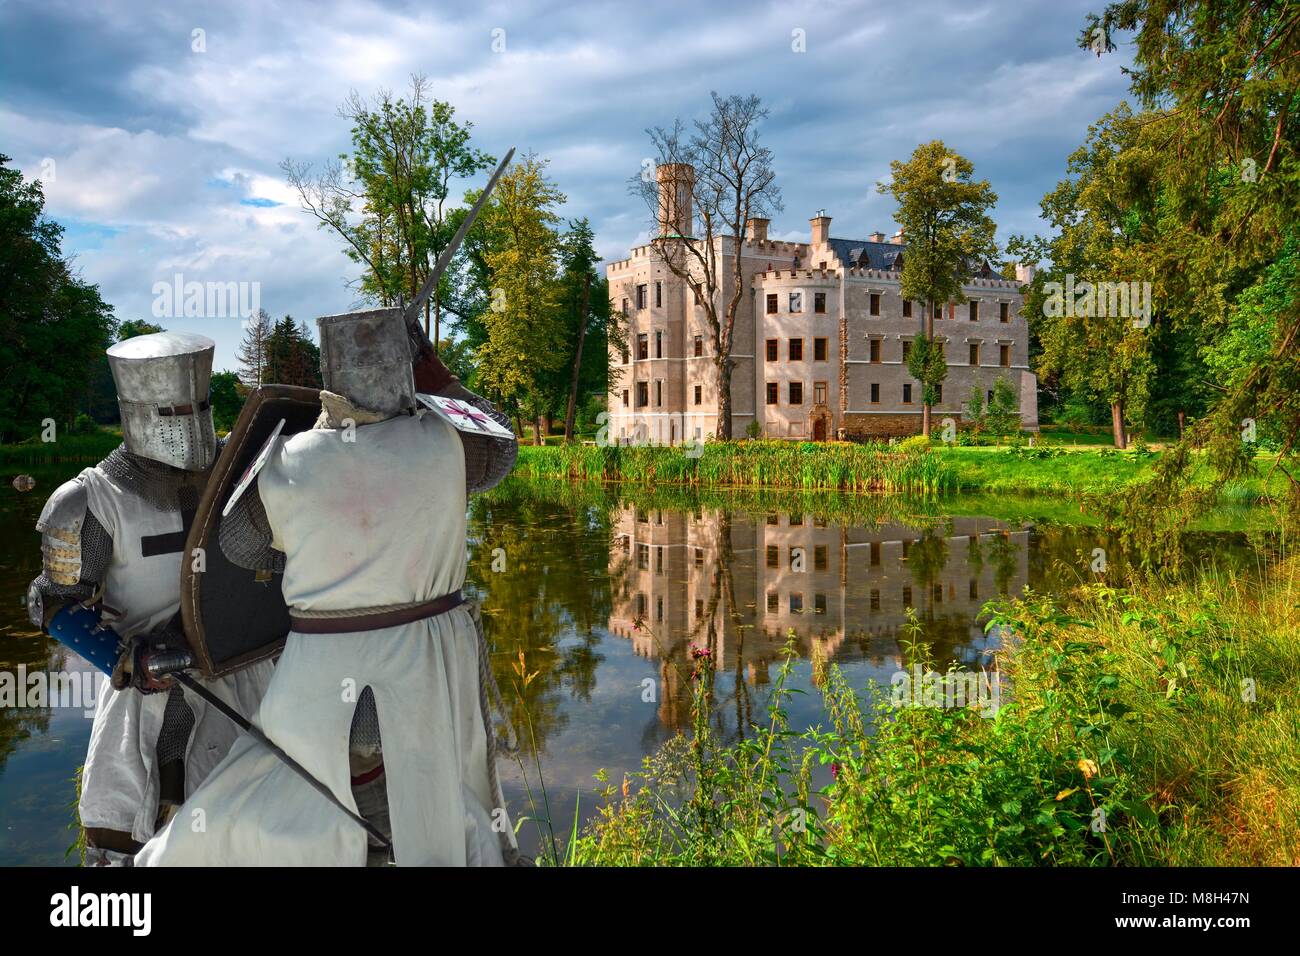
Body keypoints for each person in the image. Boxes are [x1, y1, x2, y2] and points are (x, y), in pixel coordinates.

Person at [136, 307, 520, 866]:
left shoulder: (285, 461)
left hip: (322, 665)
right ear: (408, 372)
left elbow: (243, 550)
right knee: (440, 789)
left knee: (281, 781)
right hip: (430, 659)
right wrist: (440, 377)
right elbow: (501, 446)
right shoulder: (451, 444)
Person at [26, 331, 273, 866]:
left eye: (199, 405)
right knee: (131, 836)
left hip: (242, 682)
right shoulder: (90, 500)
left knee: (253, 832)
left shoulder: (243, 475)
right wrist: (129, 659)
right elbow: (51, 604)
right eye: (172, 408)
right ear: (139, 410)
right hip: (147, 693)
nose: (188, 419)